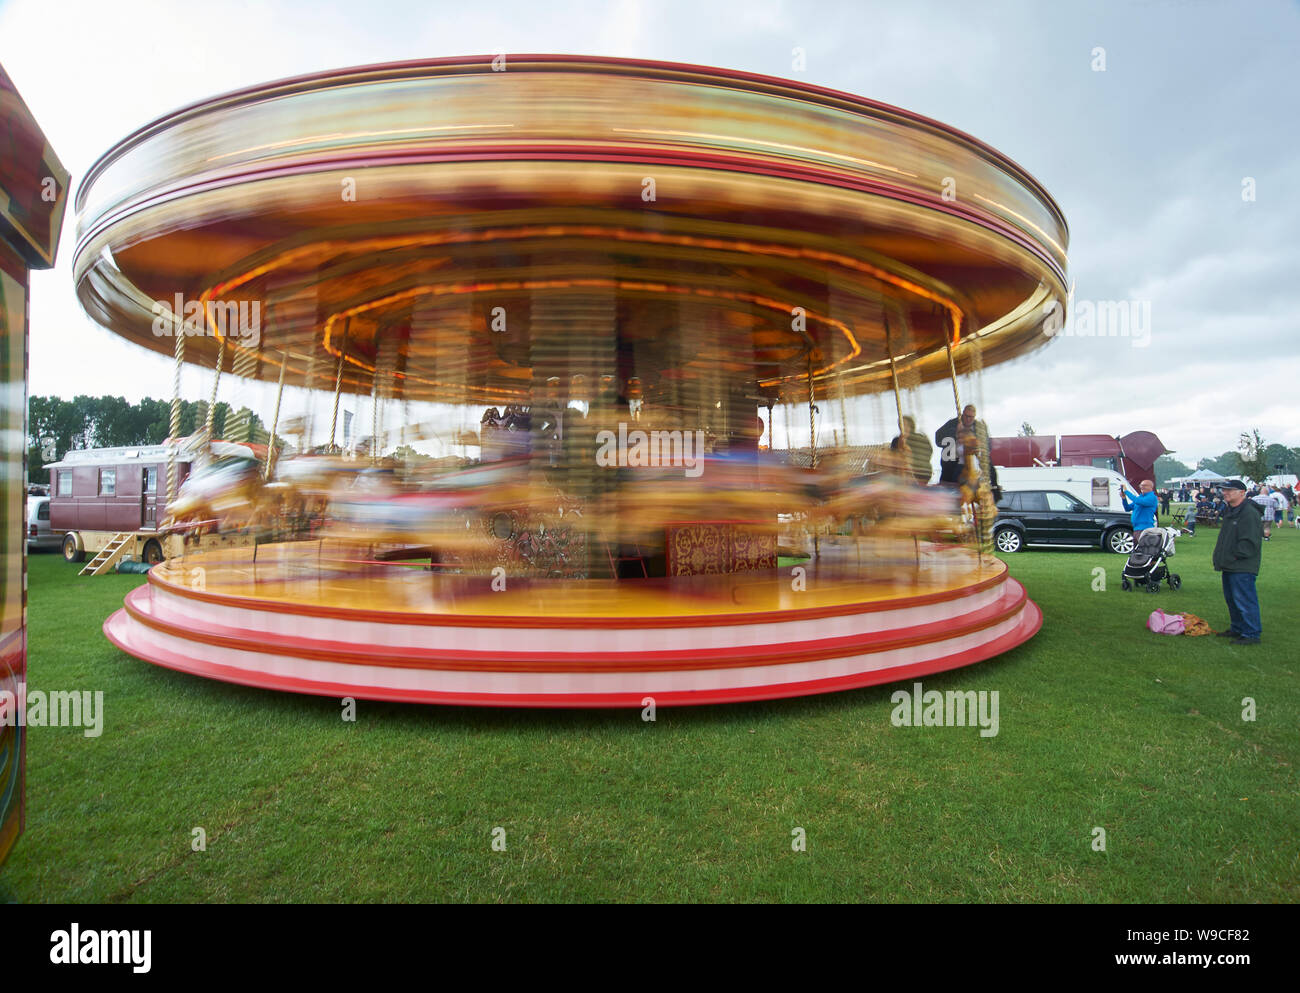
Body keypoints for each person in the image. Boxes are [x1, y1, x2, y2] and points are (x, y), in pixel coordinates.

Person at [1213, 479, 1264, 645]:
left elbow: (1249, 542)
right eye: (1224, 490)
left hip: (1241, 565)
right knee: (1232, 598)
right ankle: (1238, 628)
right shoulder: (1232, 510)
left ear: (1242, 492)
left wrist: (1234, 556)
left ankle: (1251, 633)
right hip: (1230, 564)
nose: (1225, 493)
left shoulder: (1248, 512)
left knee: (1244, 598)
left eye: (1230, 490)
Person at [934, 404, 988, 486]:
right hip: (950, 465)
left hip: (972, 468)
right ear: (963, 414)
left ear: (974, 416)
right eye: (966, 416)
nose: (968, 419)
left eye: (971, 417)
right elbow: (938, 437)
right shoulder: (952, 424)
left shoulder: (979, 428)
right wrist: (954, 434)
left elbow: (987, 445)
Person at [889, 416, 934, 484]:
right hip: (904, 473)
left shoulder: (920, 438)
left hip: (921, 472)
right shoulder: (896, 441)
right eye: (900, 424)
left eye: (906, 425)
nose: (903, 427)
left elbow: (928, 452)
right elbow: (893, 457)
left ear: (911, 426)